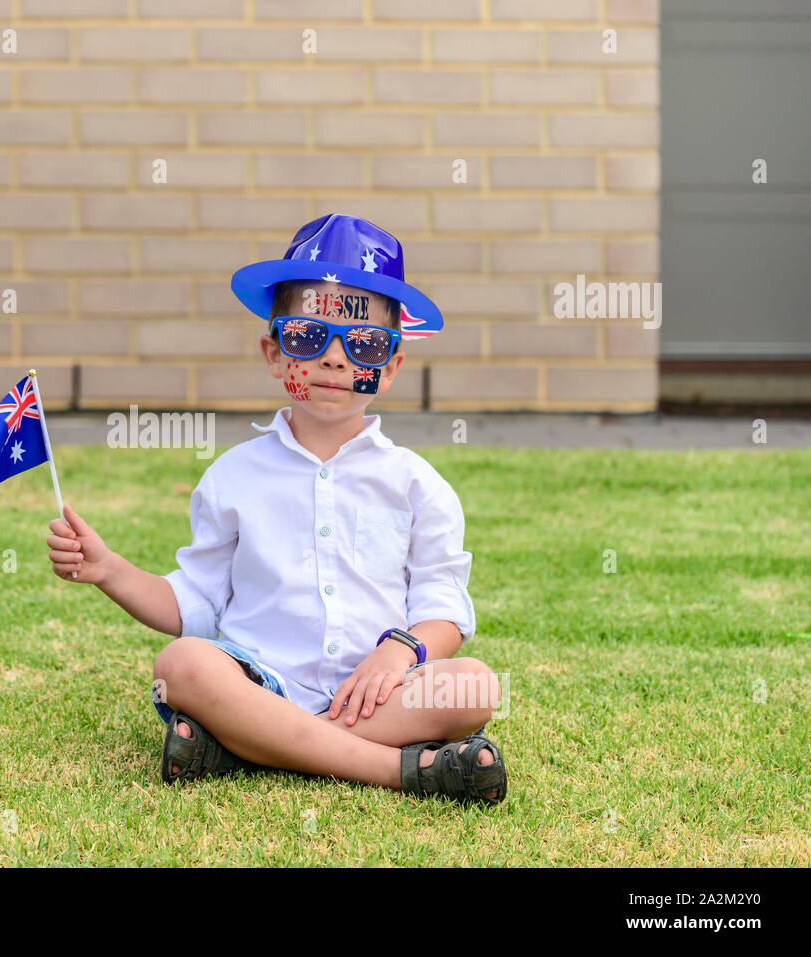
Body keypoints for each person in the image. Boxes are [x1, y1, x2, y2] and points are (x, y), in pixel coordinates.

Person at [46, 214, 506, 805]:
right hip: (256, 685)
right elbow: (197, 604)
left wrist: (400, 651)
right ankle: (398, 771)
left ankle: (242, 748)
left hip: (380, 698)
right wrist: (111, 570)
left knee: (473, 689)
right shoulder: (233, 476)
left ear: (389, 366)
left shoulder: (419, 484)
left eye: (362, 343)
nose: (335, 358)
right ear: (273, 352)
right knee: (182, 664)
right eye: (308, 337)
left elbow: (444, 611)